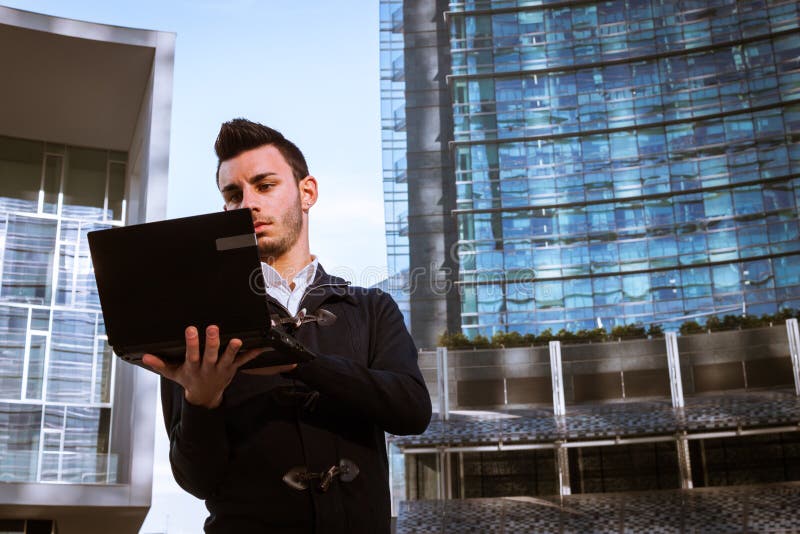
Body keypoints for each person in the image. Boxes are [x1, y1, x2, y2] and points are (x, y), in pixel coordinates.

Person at [142, 118, 432, 533]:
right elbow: (195, 480)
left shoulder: (372, 308)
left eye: (264, 185)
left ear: (306, 192)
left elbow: (412, 412)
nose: (247, 205)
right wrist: (201, 401)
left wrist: (303, 363)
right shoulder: (200, 327)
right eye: (233, 194)